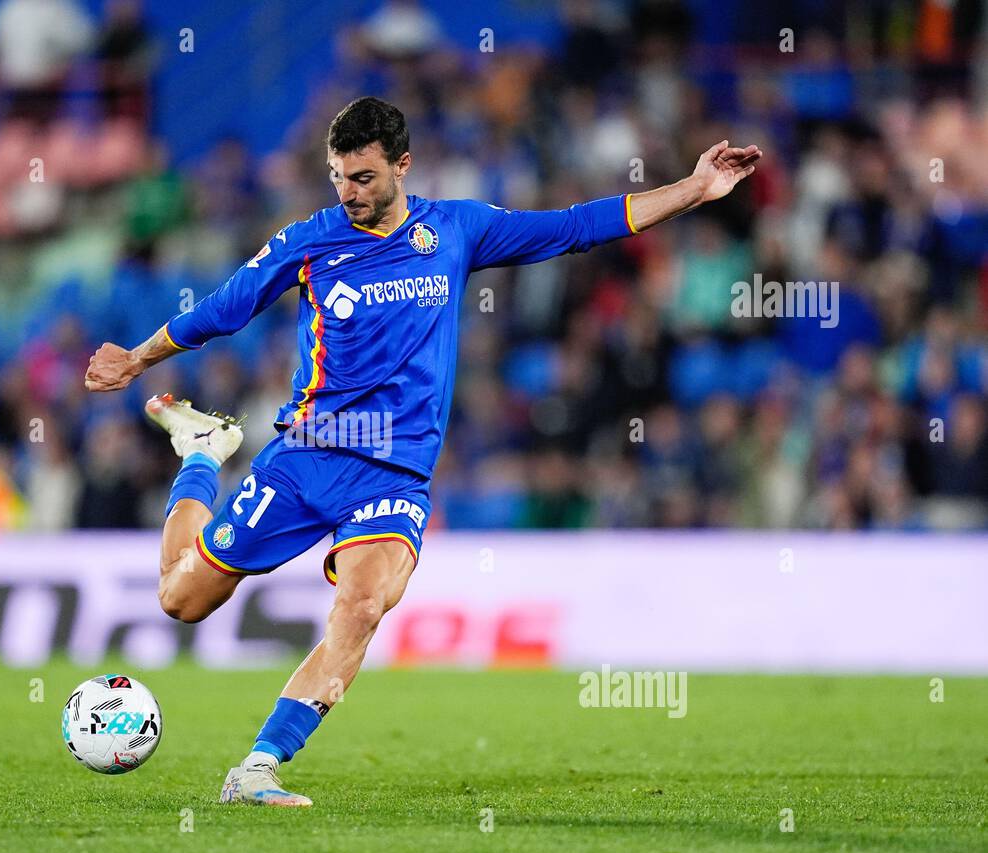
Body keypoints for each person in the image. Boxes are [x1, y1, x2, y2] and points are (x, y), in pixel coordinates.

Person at [84, 97, 760, 806]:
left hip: (396, 472)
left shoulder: (458, 230)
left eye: (365, 178)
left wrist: (694, 189)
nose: (349, 193)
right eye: (339, 177)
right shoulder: (311, 240)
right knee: (180, 600)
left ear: (403, 165)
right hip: (308, 455)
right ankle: (200, 451)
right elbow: (225, 307)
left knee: (362, 606)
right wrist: (137, 357)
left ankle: (257, 767)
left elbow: (575, 228)